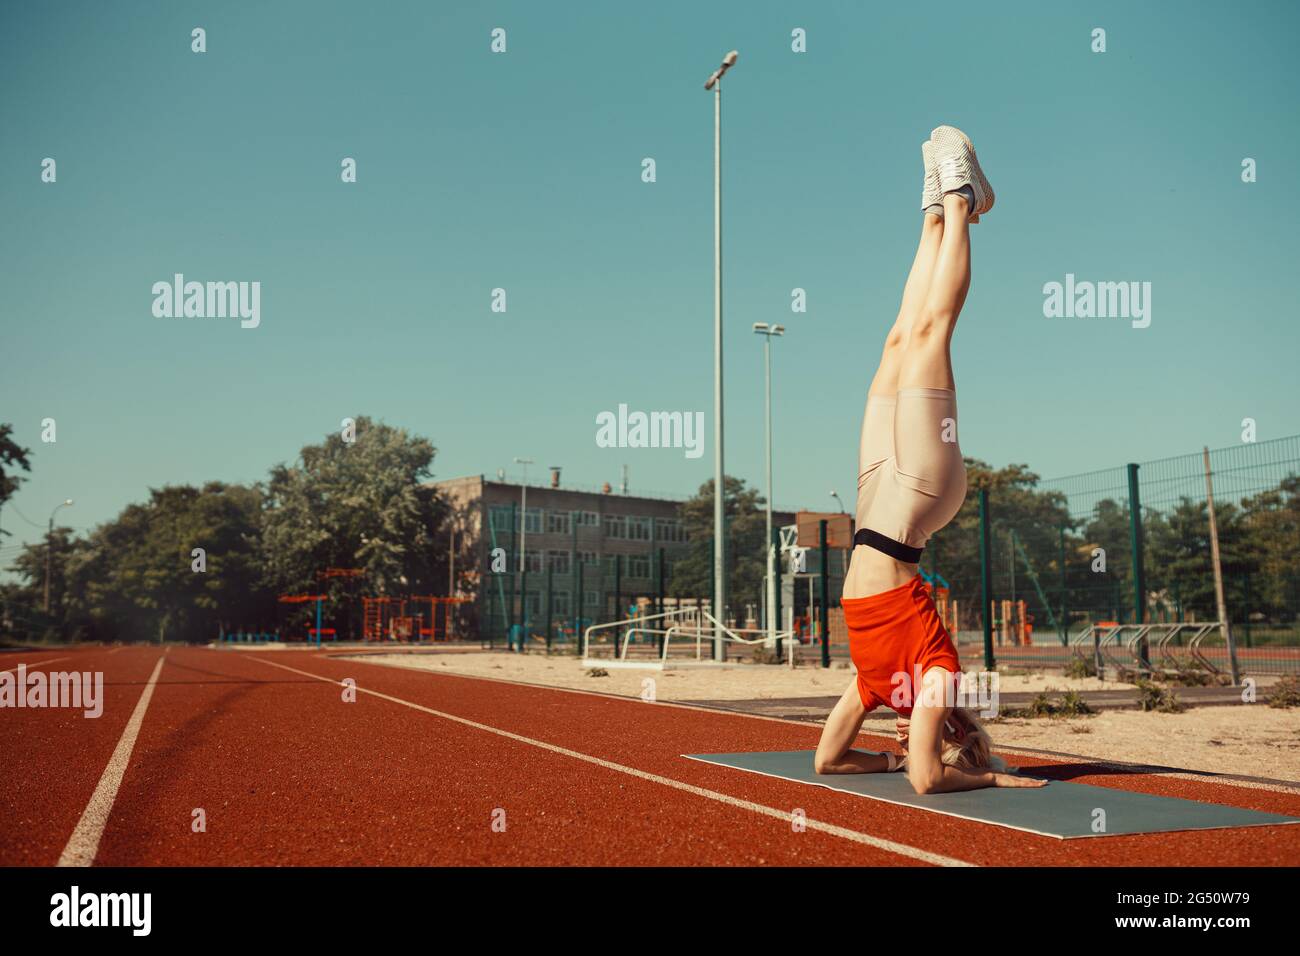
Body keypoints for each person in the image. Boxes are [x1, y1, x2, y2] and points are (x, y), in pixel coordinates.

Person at [812, 126, 1045, 795]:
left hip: (872, 502)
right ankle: (963, 196)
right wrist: (989, 778)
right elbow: (924, 778)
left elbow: (827, 760)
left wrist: (875, 759)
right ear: (949, 732)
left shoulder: (873, 686)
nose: (904, 735)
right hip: (917, 496)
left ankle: (934, 210)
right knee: (933, 332)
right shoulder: (938, 676)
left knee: (897, 339)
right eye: (925, 733)